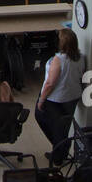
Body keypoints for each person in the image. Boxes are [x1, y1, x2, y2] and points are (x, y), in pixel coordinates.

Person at [36, 30, 85, 164]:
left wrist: (41, 100)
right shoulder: (80, 57)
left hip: (56, 99)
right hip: (73, 96)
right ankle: (61, 149)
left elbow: (50, 83)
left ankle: (59, 152)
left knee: (41, 117)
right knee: (63, 127)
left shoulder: (59, 60)